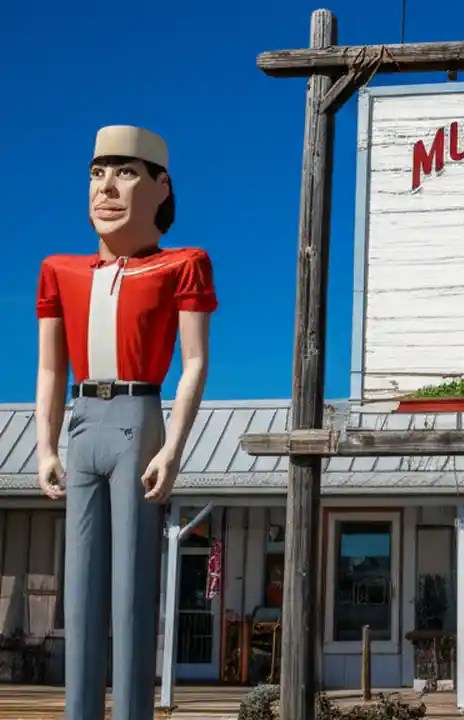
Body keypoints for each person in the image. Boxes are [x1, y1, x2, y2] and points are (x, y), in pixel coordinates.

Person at [33, 125, 217, 720]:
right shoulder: (60, 270)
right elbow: (49, 368)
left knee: (133, 589)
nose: (106, 188)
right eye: (97, 172)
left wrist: (174, 446)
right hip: (81, 422)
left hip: (140, 417)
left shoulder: (183, 264)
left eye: (126, 172)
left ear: (161, 187)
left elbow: (194, 362)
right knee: (80, 590)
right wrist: (44, 446)